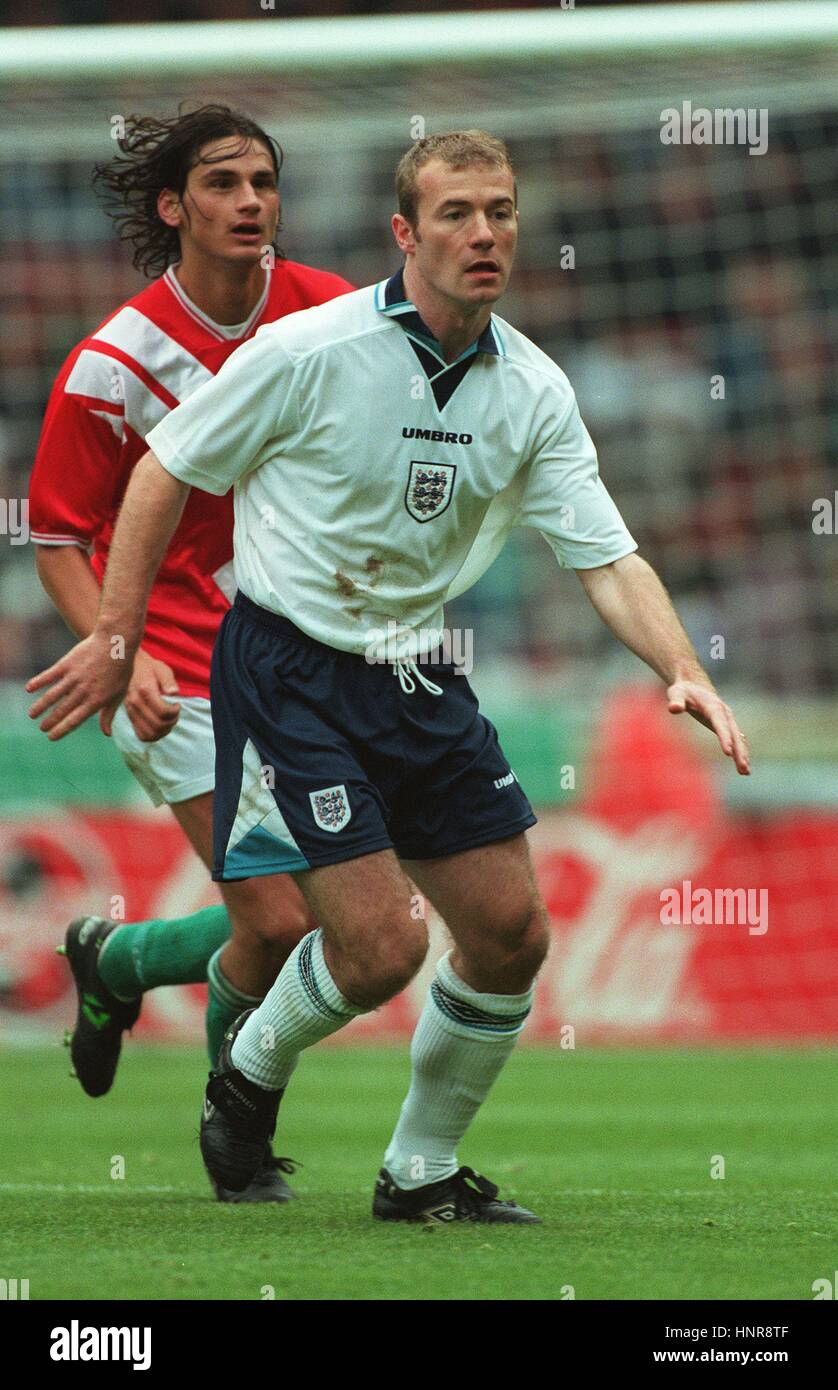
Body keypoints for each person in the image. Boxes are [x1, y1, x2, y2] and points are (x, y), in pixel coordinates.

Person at [28, 130, 750, 1225]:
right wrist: (120, 636)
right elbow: (166, 467)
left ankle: (418, 1173)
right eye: (457, 213)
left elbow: (606, 556)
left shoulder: (534, 391)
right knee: (374, 947)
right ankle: (248, 1073)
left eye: (500, 212)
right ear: (405, 233)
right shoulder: (309, 348)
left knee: (511, 932)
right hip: (284, 667)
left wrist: (683, 667)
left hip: (414, 668)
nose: (485, 233)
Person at [27, 103, 353, 1202]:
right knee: (276, 916)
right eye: (222, 183)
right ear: (174, 208)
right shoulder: (111, 364)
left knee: (330, 919)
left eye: (263, 180)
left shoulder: (329, 316)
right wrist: (116, 646)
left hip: (297, 649)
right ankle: (238, 1139)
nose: (250, 200)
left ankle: (113, 960)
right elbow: (56, 534)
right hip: (162, 651)